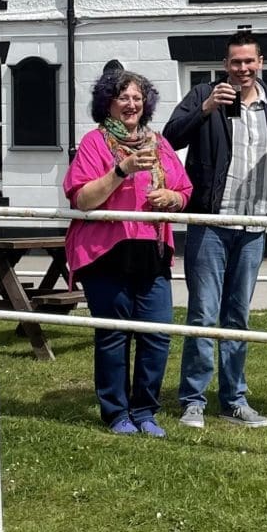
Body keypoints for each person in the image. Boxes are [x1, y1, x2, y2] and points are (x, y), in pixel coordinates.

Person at [162, 33, 267, 428]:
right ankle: (192, 400)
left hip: (254, 223)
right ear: (226, 65)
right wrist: (204, 109)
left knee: (237, 316)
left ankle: (234, 399)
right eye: (235, 62)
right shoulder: (205, 94)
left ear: (261, 62)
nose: (242, 69)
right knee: (204, 314)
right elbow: (170, 138)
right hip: (210, 221)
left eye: (249, 62)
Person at [64, 66, 193, 436]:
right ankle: (116, 412)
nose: (131, 104)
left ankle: (145, 410)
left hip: (150, 252)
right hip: (106, 254)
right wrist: (121, 170)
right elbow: (82, 199)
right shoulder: (94, 143)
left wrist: (172, 197)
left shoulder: (160, 144)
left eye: (137, 98)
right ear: (108, 103)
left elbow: (184, 191)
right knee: (114, 335)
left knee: (156, 332)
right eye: (124, 98)